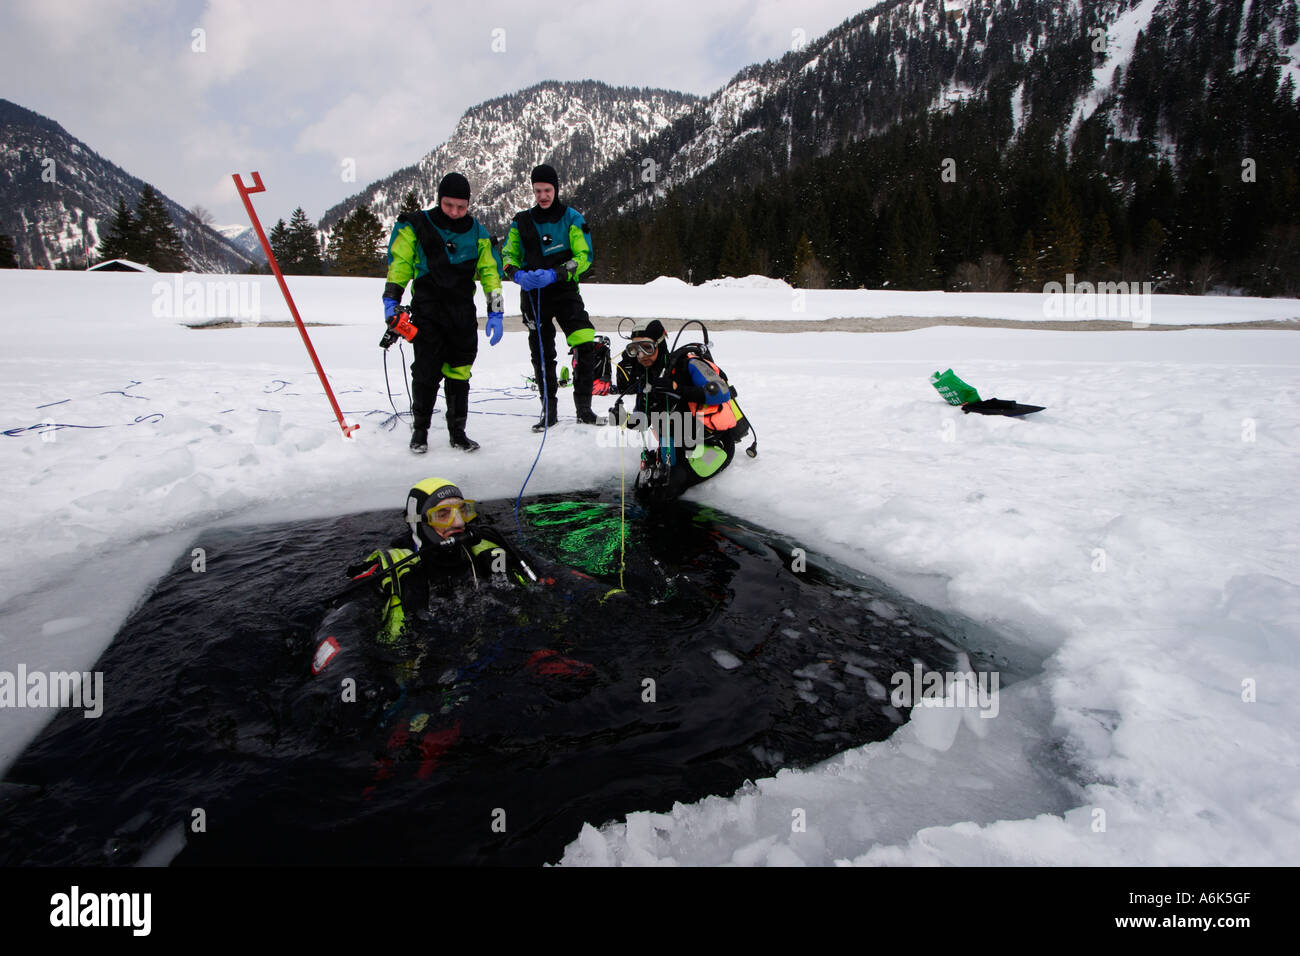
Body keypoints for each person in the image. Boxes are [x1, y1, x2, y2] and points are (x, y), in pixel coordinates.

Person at [383, 173, 505, 454]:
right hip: (428, 308)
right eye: (449, 205)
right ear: (439, 200)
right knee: (426, 372)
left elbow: (490, 273)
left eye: (461, 207)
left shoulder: (477, 233)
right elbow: (400, 264)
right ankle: (420, 432)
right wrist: (391, 299)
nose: (454, 212)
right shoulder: (416, 226)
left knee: (460, 371)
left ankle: (458, 433)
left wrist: (496, 312)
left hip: (462, 312)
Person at [501, 164, 597, 430]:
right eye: (538, 190)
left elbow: (584, 257)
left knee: (584, 343)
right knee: (542, 354)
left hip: (565, 292)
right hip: (534, 295)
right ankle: (549, 412)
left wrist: (557, 273)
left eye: (547, 190)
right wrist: (517, 275)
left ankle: (584, 409)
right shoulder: (521, 221)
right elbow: (508, 255)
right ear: (533, 191)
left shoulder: (572, 218)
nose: (543, 196)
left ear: (556, 189)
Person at [610, 320, 749, 501]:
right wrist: (624, 419)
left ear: (661, 343)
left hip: (712, 447)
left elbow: (722, 393)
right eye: (635, 350)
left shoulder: (687, 365)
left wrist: (677, 388)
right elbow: (642, 421)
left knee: (665, 493)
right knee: (641, 492)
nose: (642, 355)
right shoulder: (645, 380)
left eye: (647, 347)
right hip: (673, 449)